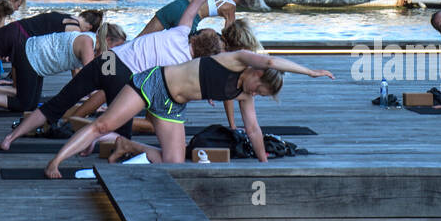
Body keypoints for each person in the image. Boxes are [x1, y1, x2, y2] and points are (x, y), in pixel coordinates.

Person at [0, 0, 237, 151]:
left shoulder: (181, 31)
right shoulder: (187, 65)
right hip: (123, 76)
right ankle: (92, 144)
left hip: (109, 59)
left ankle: (10, 138)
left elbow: (196, 0)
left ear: (197, 36)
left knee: (58, 103)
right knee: (121, 133)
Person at [45, 49, 333, 177]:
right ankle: (56, 162)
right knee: (102, 126)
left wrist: (263, 163)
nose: (255, 95)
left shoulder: (243, 94)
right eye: (259, 89)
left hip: (172, 106)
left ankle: (127, 145)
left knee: (175, 162)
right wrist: (310, 72)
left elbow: (254, 130)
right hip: (153, 83)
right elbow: (270, 59)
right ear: (257, 73)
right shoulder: (236, 60)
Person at [0, 24, 125, 115]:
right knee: (25, 104)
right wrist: (96, 101)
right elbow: (90, 78)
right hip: (29, 56)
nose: (118, 50)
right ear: (108, 40)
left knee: (32, 103)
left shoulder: (99, 47)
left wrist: (101, 100)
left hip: (37, 62)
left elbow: (94, 78)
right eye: (118, 46)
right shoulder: (87, 43)